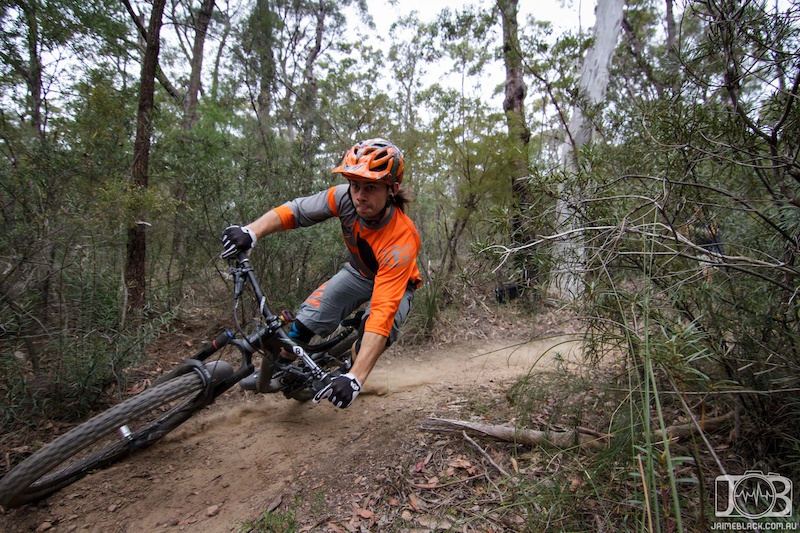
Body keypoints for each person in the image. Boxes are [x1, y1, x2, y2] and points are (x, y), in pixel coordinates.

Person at [220, 139, 422, 409]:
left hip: (397, 284)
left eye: (371, 187)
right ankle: (285, 370)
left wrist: (355, 378)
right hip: (360, 273)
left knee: (372, 331)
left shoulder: (401, 240)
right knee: (303, 324)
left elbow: (383, 313)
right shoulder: (345, 198)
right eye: (355, 185)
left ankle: (350, 369)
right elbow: (296, 210)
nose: (360, 195)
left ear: (392, 190)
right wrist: (251, 232)